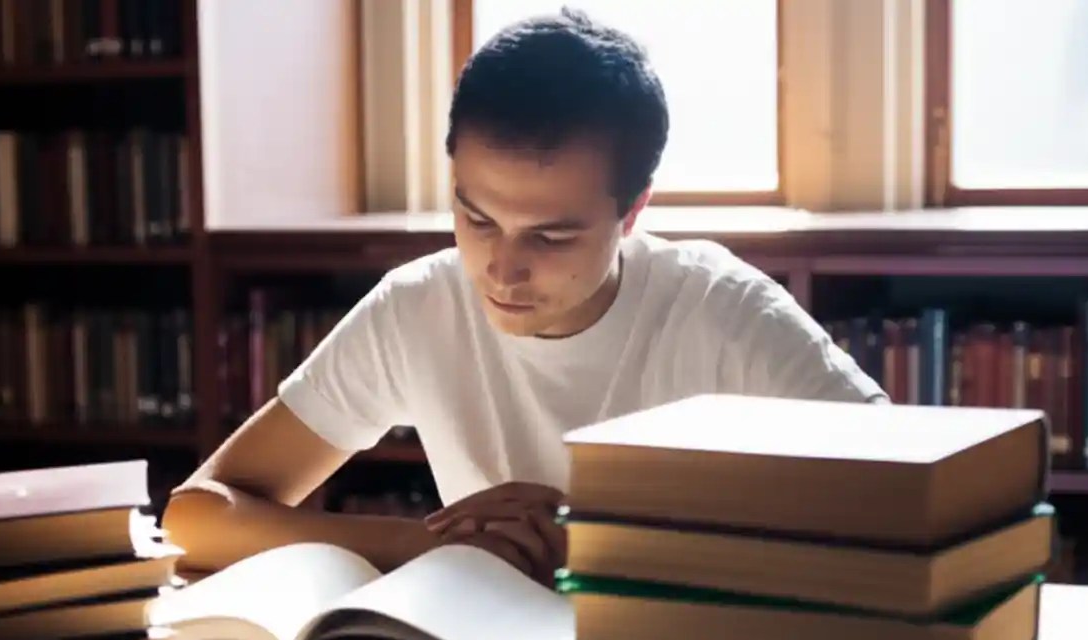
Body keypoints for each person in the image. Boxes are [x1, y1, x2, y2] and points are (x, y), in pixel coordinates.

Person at [161, 8, 887, 584]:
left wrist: (607, 553)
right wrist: (430, 544)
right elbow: (198, 514)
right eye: (476, 219)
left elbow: (908, 506)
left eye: (551, 237)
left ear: (631, 215)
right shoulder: (418, 307)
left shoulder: (723, 313)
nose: (501, 271)